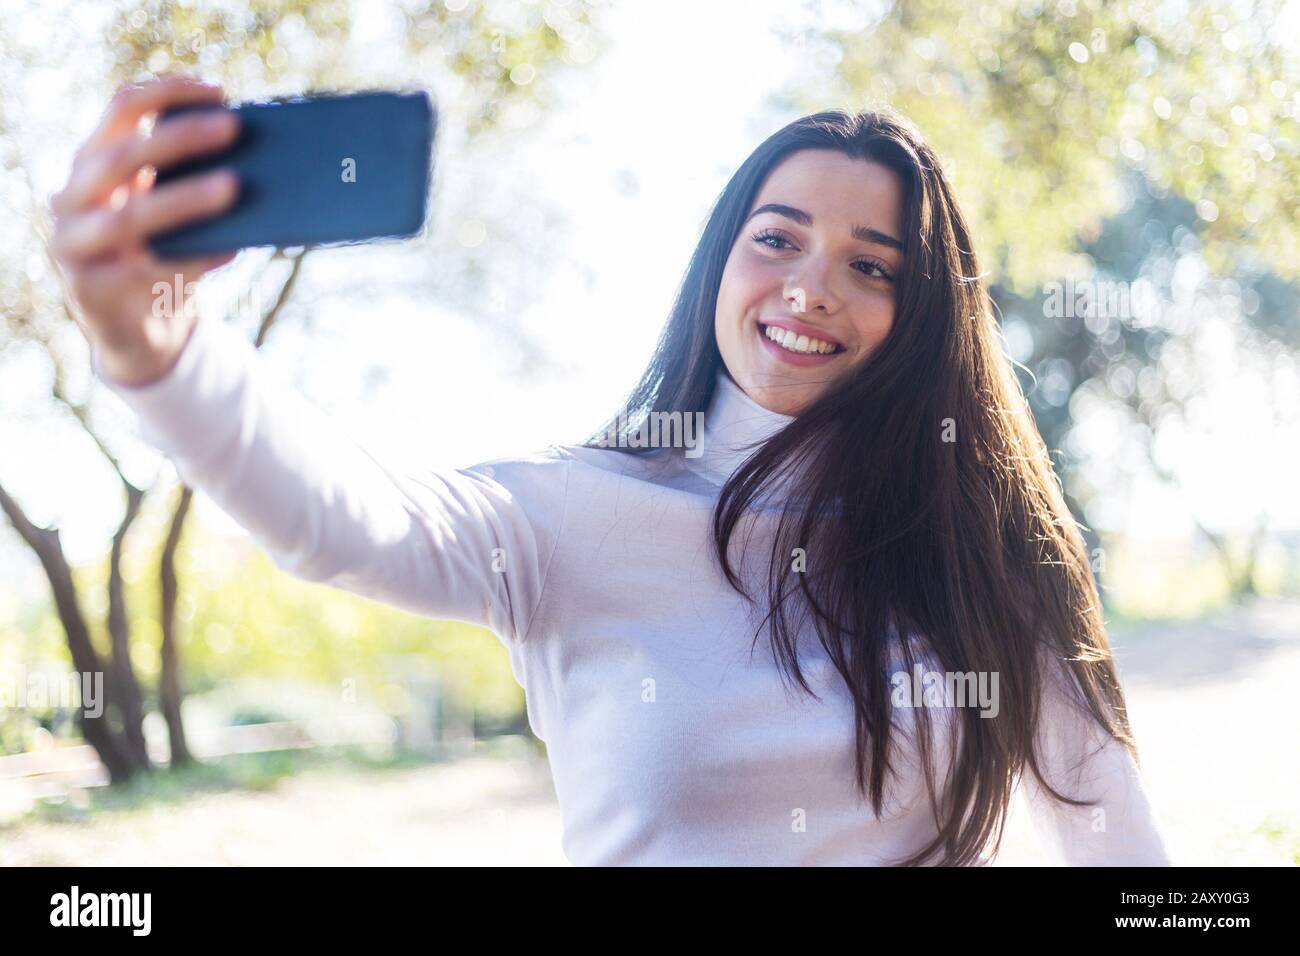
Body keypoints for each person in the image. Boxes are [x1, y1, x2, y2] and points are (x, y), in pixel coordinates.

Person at [48, 74, 1173, 866]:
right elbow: (345, 523)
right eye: (776, 238)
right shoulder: (572, 515)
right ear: (717, 267)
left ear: (922, 312)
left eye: (869, 264)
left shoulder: (985, 552)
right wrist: (160, 343)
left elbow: (1110, 833)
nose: (810, 286)